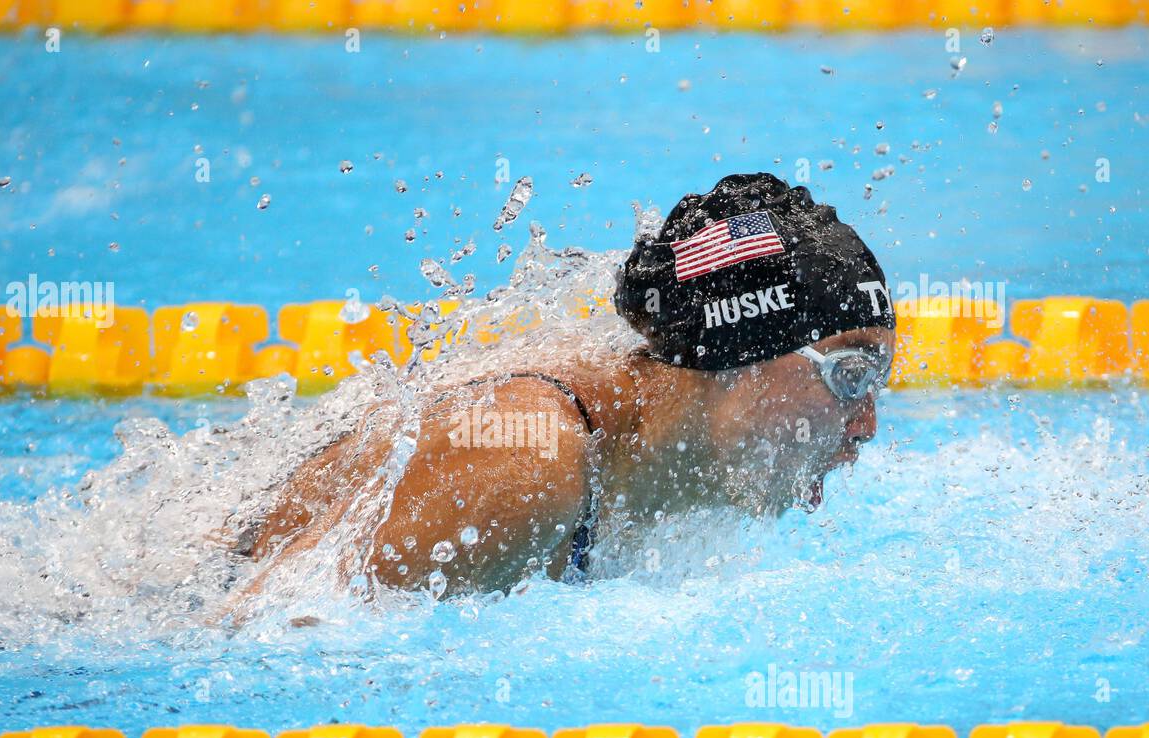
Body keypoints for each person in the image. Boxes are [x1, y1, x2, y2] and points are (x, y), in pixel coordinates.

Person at [233, 173, 895, 603]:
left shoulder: (666, 469)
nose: (866, 425)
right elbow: (259, 637)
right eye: (850, 375)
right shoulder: (527, 461)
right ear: (735, 355)